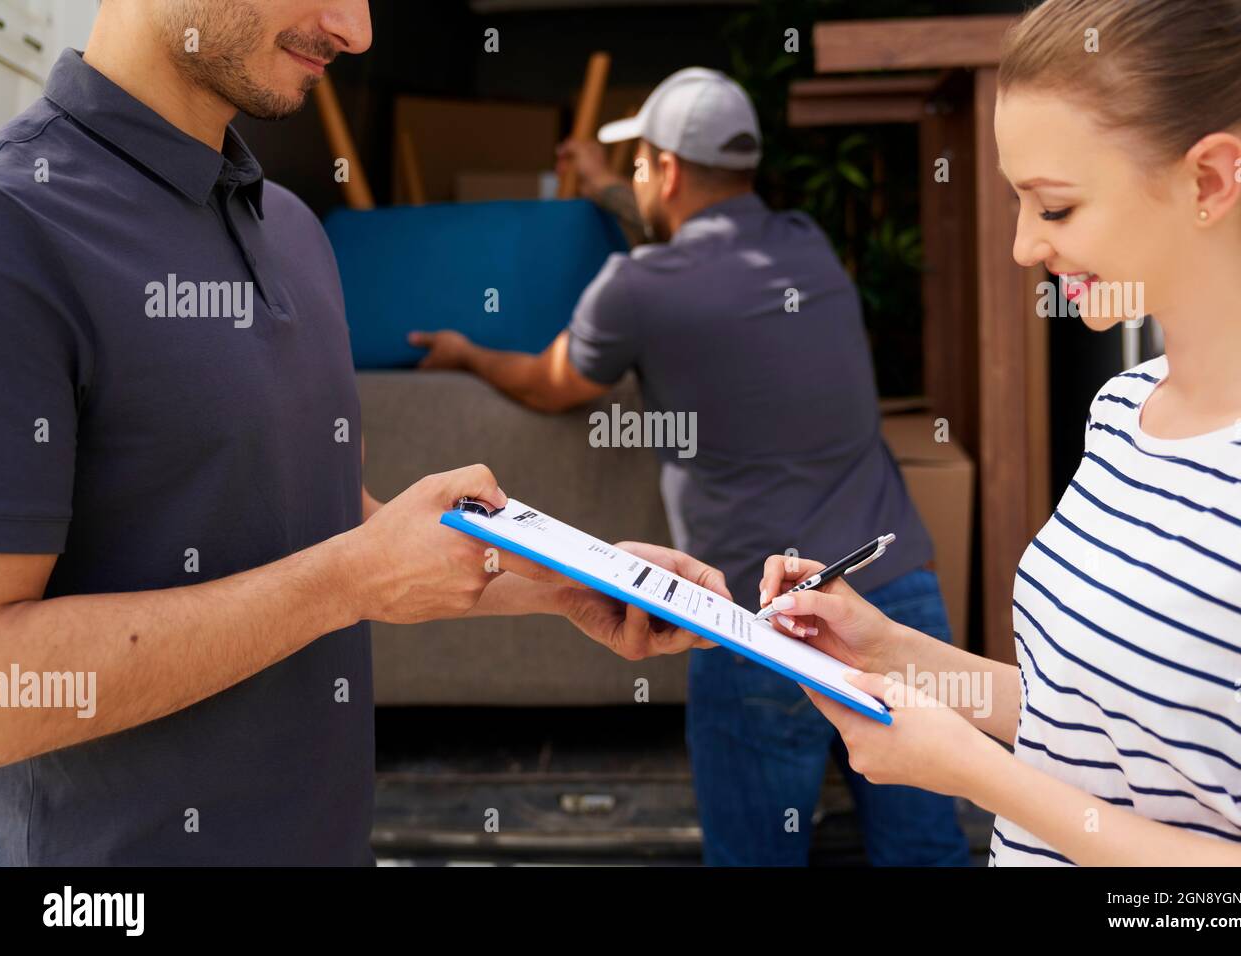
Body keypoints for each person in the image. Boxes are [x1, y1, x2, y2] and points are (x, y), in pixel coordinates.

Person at [0, 0, 726, 866]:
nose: (357, 30)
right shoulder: (17, 228)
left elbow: (338, 532)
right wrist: (344, 583)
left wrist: (577, 578)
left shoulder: (296, 233)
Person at [768, 0, 1241, 866]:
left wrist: (977, 776)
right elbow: (1090, 722)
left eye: (1054, 208)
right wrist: (891, 651)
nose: (1021, 248)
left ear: (1211, 180)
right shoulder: (1125, 409)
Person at [411, 68, 970, 866]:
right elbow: (697, 261)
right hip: (896, 595)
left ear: (666, 172)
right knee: (924, 853)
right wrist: (614, 186)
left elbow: (548, 382)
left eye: (639, 165)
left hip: (758, 620)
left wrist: (468, 352)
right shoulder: (809, 245)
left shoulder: (634, 288)